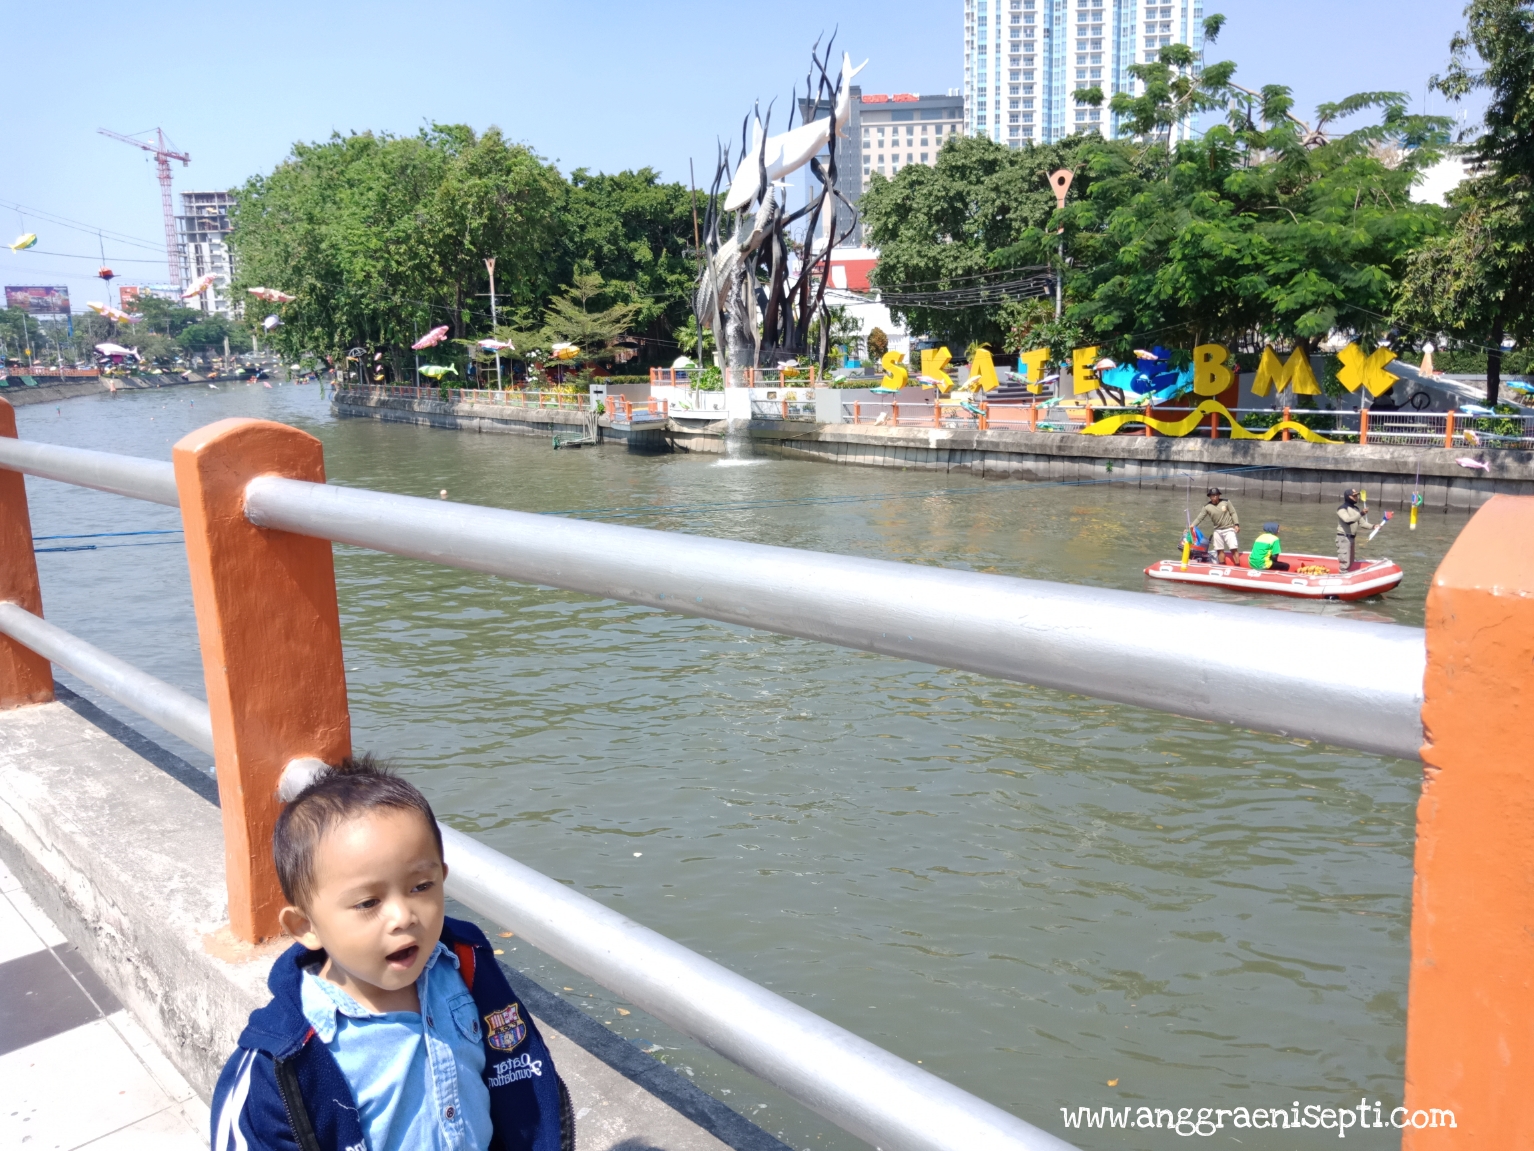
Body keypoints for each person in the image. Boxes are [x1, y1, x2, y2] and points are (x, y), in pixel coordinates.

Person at [210, 756, 572, 1151]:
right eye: (368, 902)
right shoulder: (282, 1059)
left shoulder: (468, 966)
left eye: (421, 887)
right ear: (306, 927)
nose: (403, 917)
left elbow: (522, 1076)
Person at [1191, 487, 1240, 565]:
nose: (1214, 497)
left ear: (1219, 495)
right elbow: (1199, 518)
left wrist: (1236, 524)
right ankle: (1222, 566)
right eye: (1212, 495)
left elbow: (1233, 513)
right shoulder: (1207, 507)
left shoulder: (1226, 502)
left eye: (1216, 495)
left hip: (1229, 528)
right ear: (1210, 496)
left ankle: (1238, 566)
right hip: (1217, 530)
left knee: (1233, 548)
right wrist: (1191, 527)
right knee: (1219, 550)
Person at [1335, 489, 1376, 572]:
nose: (1356, 497)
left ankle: (1347, 575)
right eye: (1354, 495)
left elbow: (1362, 523)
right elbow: (1348, 520)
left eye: (1357, 495)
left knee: (1351, 561)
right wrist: (1361, 514)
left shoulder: (1356, 509)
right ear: (1348, 497)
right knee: (1345, 562)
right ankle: (1343, 577)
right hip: (1343, 538)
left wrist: (1374, 526)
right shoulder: (1342, 509)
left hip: (1351, 538)